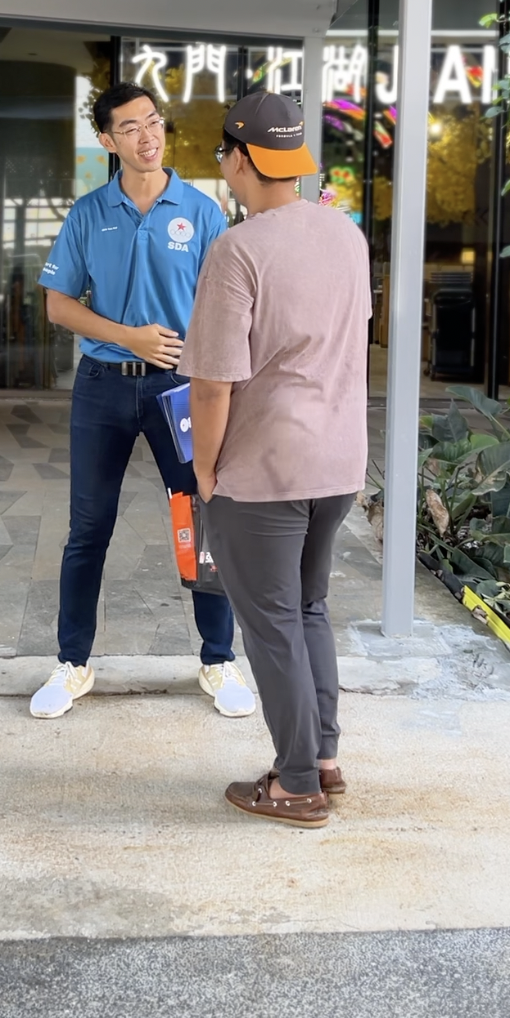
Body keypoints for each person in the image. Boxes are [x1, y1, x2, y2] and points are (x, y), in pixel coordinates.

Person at [31, 81, 255, 721]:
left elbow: (226, 305)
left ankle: (218, 660)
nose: (147, 136)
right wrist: (127, 335)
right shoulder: (88, 213)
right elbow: (59, 304)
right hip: (102, 385)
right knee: (88, 528)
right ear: (107, 141)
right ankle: (73, 663)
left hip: (181, 389)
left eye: (153, 122)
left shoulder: (203, 211)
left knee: (202, 518)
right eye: (129, 128)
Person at [179, 91, 371, 829]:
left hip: (265, 469)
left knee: (270, 624)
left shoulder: (238, 249)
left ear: (237, 159)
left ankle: (295, 786)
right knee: (308, 608)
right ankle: (321, 758)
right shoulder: (346, 235)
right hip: (338, 460)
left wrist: (205, 470)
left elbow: (211, 383)